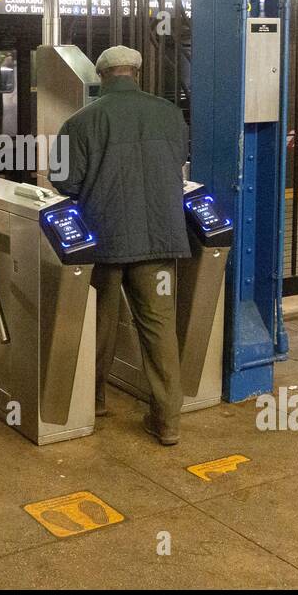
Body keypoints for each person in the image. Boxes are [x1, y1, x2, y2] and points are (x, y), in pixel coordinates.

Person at [50, 45, 190, 445]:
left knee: (99, 324)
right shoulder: (169, 113)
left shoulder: (78, 122)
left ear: (101, 75)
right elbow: (178, 159)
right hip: (160, 241)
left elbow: (63, 180)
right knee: (160, 328)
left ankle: (93, 402)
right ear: (137, 73)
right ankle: (167, 422)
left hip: (104, 241)